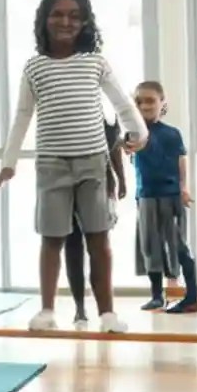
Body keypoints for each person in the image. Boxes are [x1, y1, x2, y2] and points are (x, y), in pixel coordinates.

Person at [0, 0, 146, 334]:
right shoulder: (35, 67)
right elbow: (22, 116)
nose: (65, 21)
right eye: (57, 14)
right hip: (52, 164)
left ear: (85, 22)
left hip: (92, 162)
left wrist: (138, 132)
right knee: (52, 238)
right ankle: (46, 310)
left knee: (98, 238)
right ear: (44, 21)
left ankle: (107, 314)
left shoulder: (95, 62)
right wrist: (8, 164)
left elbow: (121, 102)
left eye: (74, 15)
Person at [131, 80, 197, 314]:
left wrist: (183, 188)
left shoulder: (172, 134)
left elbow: (181, 161)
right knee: (150, 246)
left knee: (178, 245)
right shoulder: (134, 132)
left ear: (162, 103)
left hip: (170, 196)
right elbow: (129, 147)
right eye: (139, 101)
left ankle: (192, 295)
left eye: (150, 100)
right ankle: (156, 296)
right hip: (146, 195)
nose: (145, 105)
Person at [63, 115, 126, 328]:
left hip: (99, 185)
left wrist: (121, 179)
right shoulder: (65, 110)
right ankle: (80, 308)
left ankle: (106, 311)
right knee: (73, 245)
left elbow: (114, 146)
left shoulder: (106, 111)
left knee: (98, 247)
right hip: (67, 184)